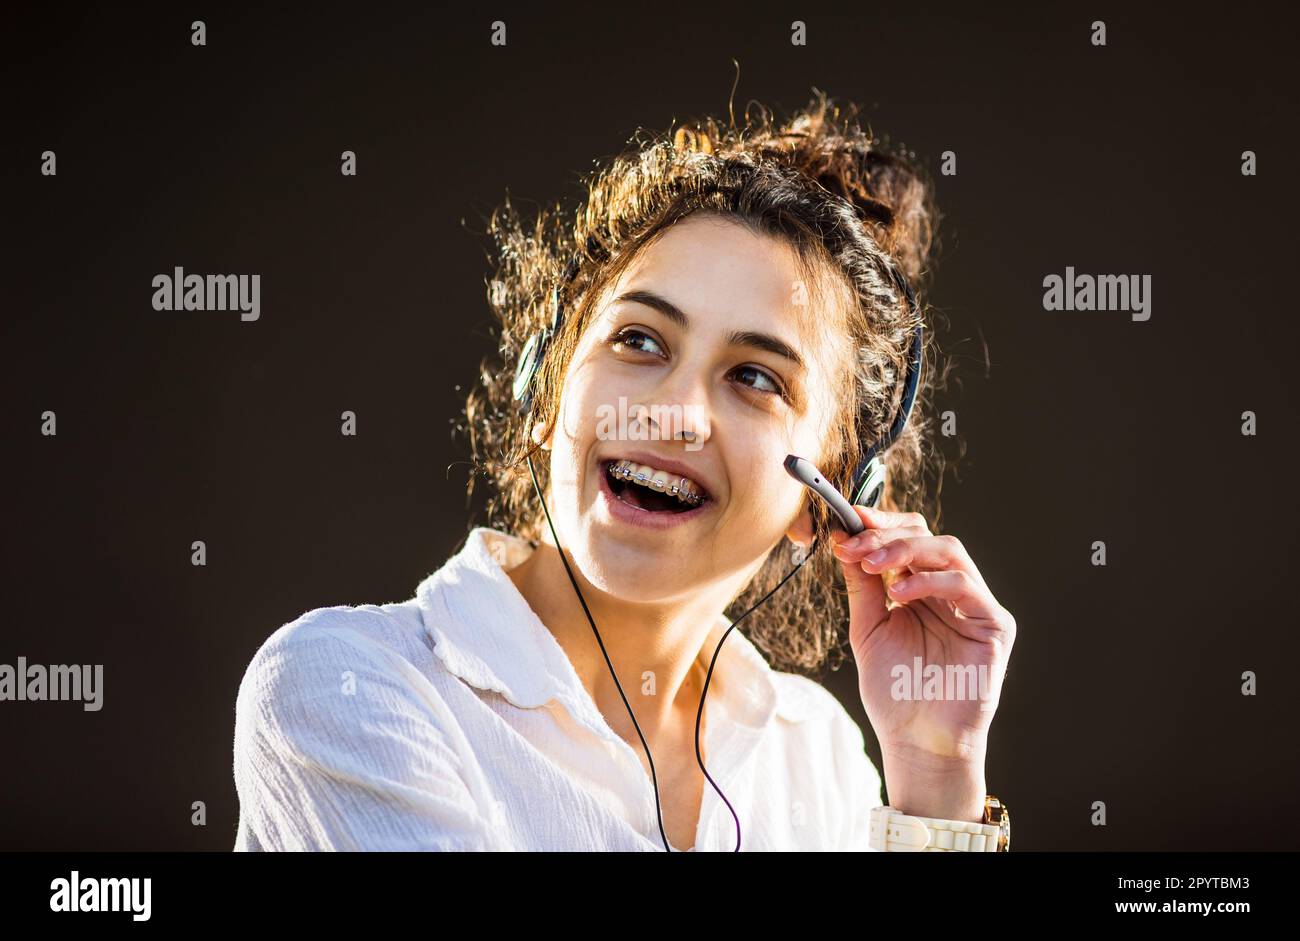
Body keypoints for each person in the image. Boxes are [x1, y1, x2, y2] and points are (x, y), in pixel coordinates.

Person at [232, 90, 1017, 851]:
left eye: (755, 377)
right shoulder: (346, 688)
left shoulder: (819, 758)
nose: (671, 412)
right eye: (639, 340)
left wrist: (935, 773)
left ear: (831, 495)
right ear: (546, 387)